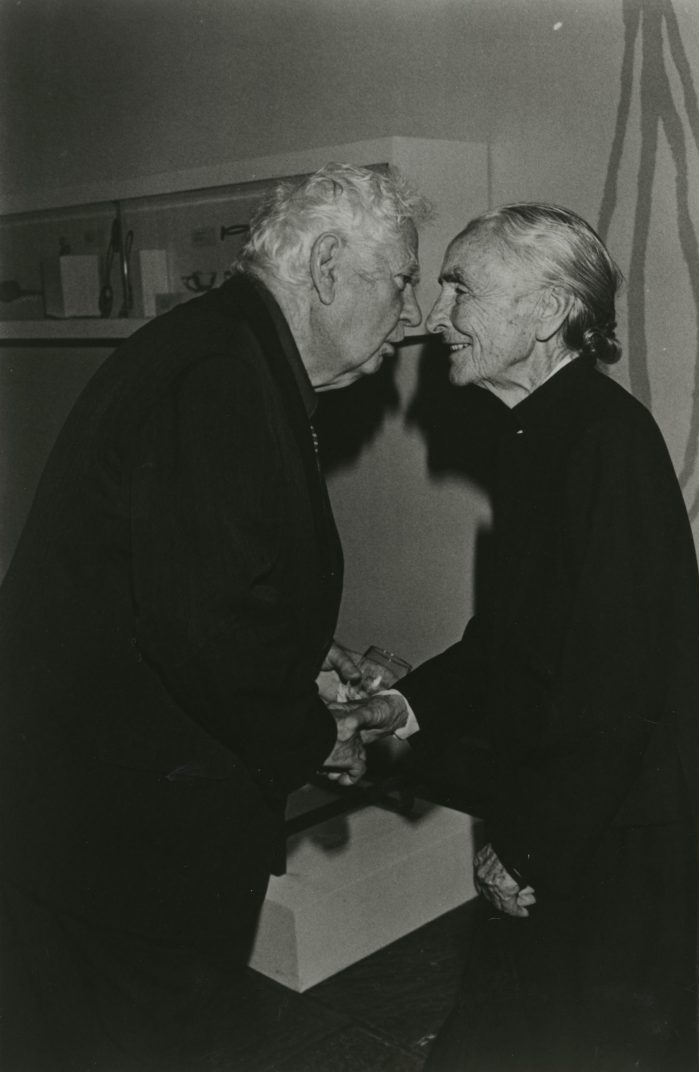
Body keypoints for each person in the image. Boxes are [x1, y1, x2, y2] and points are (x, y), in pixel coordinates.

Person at [0, 163, 428, 1071]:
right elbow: (202, 626)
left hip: (107, 810)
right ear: (325, 269)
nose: (416, 314)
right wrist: (313, 729)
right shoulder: (220, 375)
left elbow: (218, 574)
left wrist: (315, 652)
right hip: (120, 837)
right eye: (401, 282)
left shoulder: (229, 350)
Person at [343, 203, 699, 1071]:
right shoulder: (542, 433)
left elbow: (611, 690)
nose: (434, 319)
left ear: (547, 313)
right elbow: (510, 639)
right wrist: (404, 705)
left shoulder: (602, 447)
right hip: (573, 802)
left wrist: (526, 849)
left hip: (610, 823)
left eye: (459, 289)